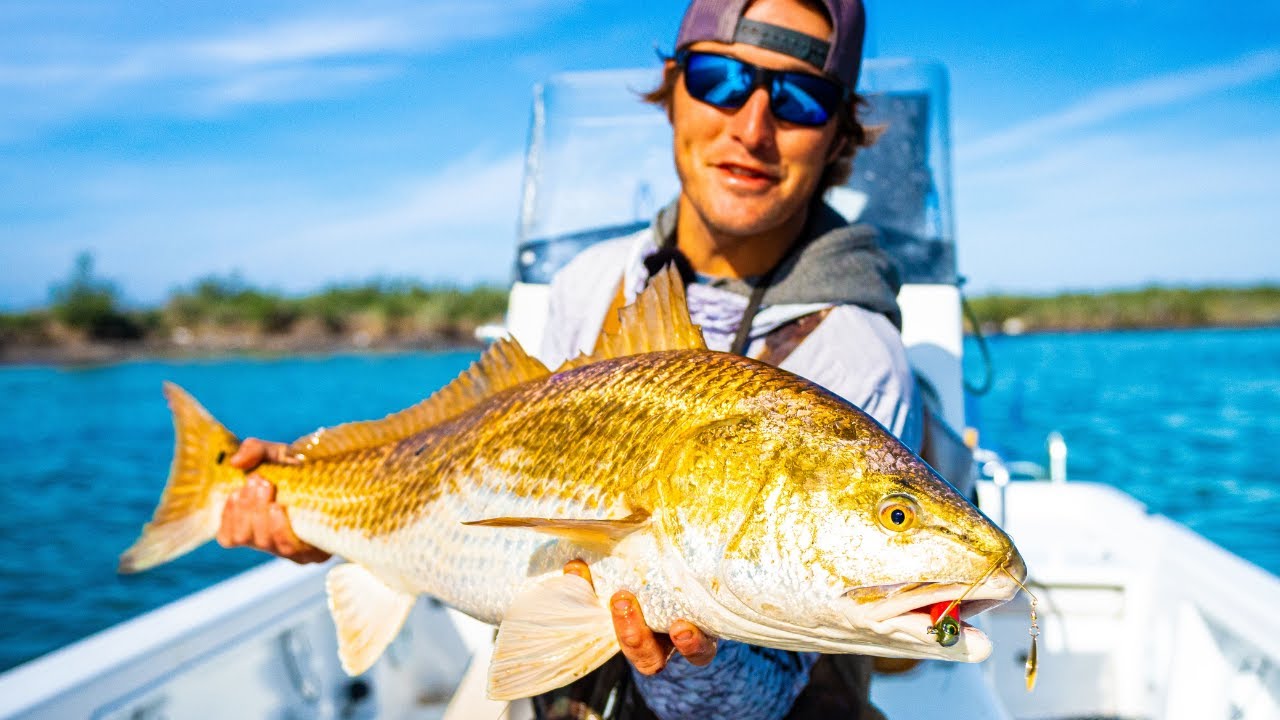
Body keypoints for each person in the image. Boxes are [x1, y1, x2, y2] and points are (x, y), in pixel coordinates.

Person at [218, 0, 919, 718]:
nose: (752, 128)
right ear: (674, 89)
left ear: (839, 133)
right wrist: (309, 499)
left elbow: (768, 687)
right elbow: (478, 487)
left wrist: (688, 664)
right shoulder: (594, 280)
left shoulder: (856, 349)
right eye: (721, 80)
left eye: (803, 97)